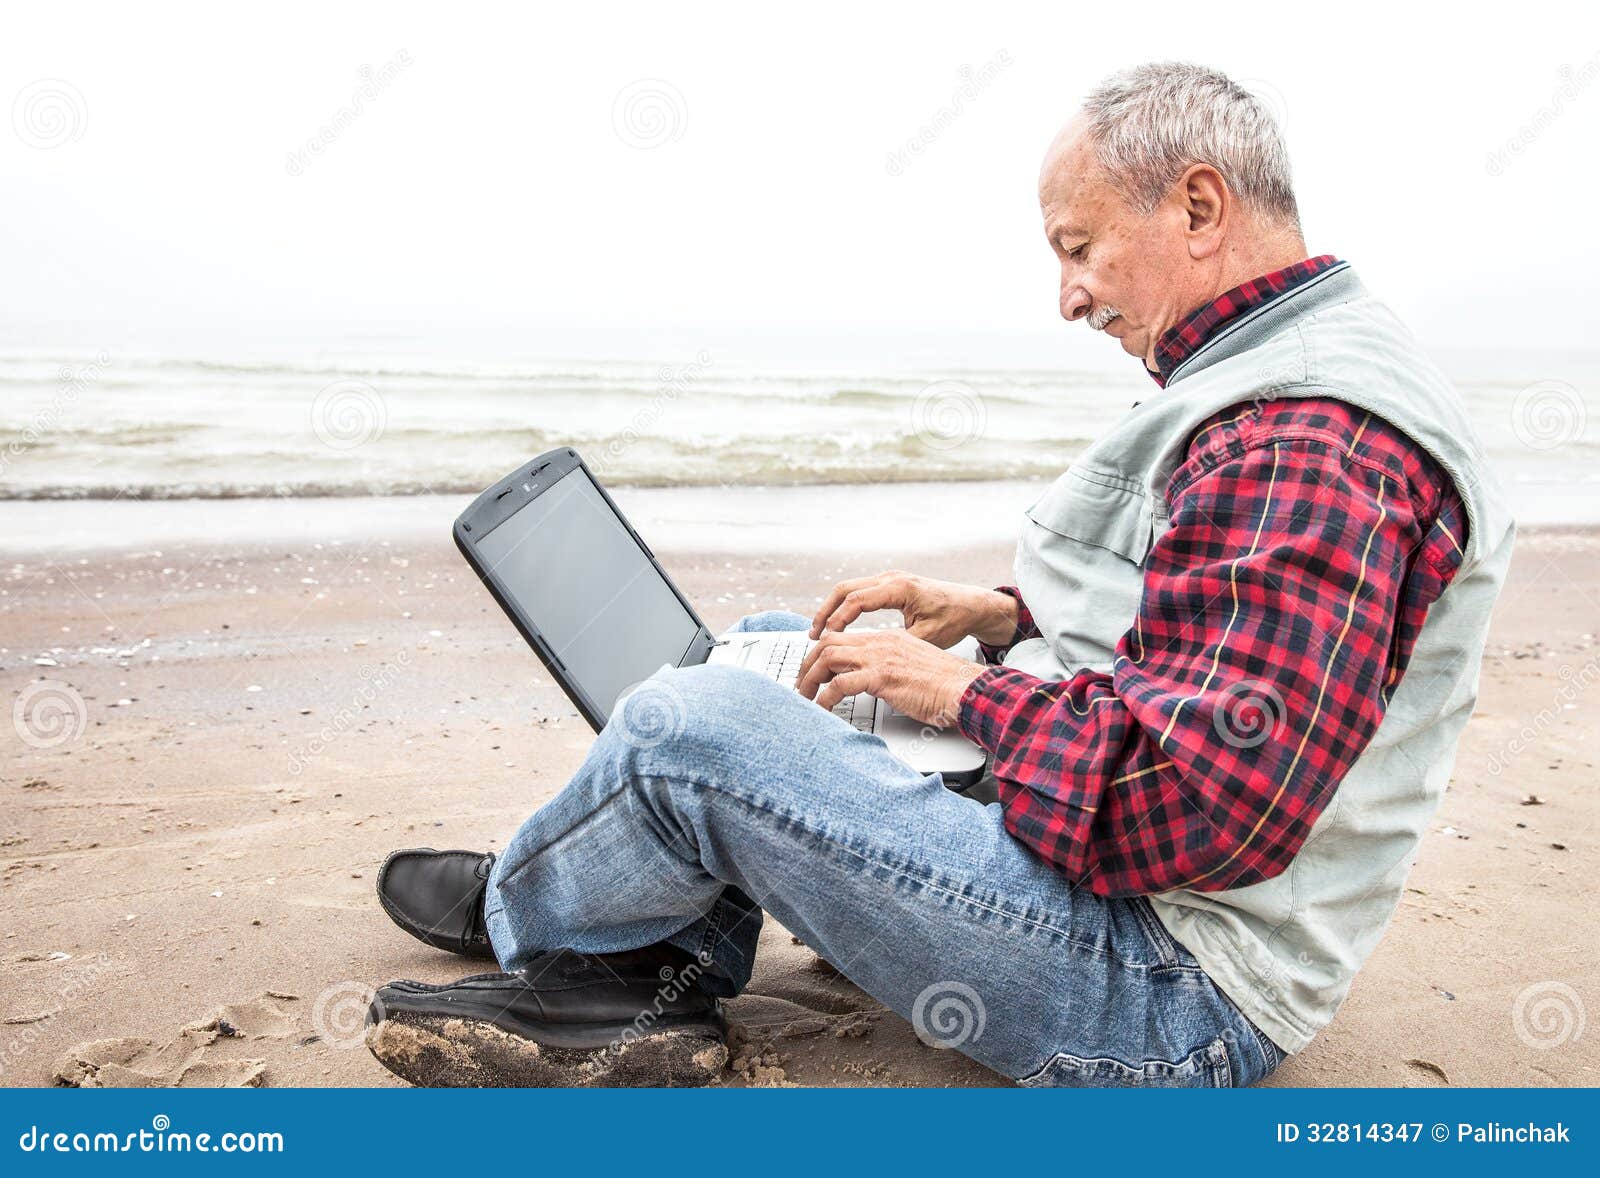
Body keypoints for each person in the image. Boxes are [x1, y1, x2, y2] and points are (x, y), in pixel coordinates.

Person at [362, 61, 1513, 1088]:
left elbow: (1196, 802)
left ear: (1199, 206)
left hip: (1168, 994)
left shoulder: (1307, 436)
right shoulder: (1287, 359)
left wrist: (963, 691)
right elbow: (1208, 621)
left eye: (1077, 245)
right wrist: (1002, 619)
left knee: (691, 724)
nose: (1067, 294)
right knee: (786, 647)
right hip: (1145, 909)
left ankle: (539, 909)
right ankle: (642, 950)